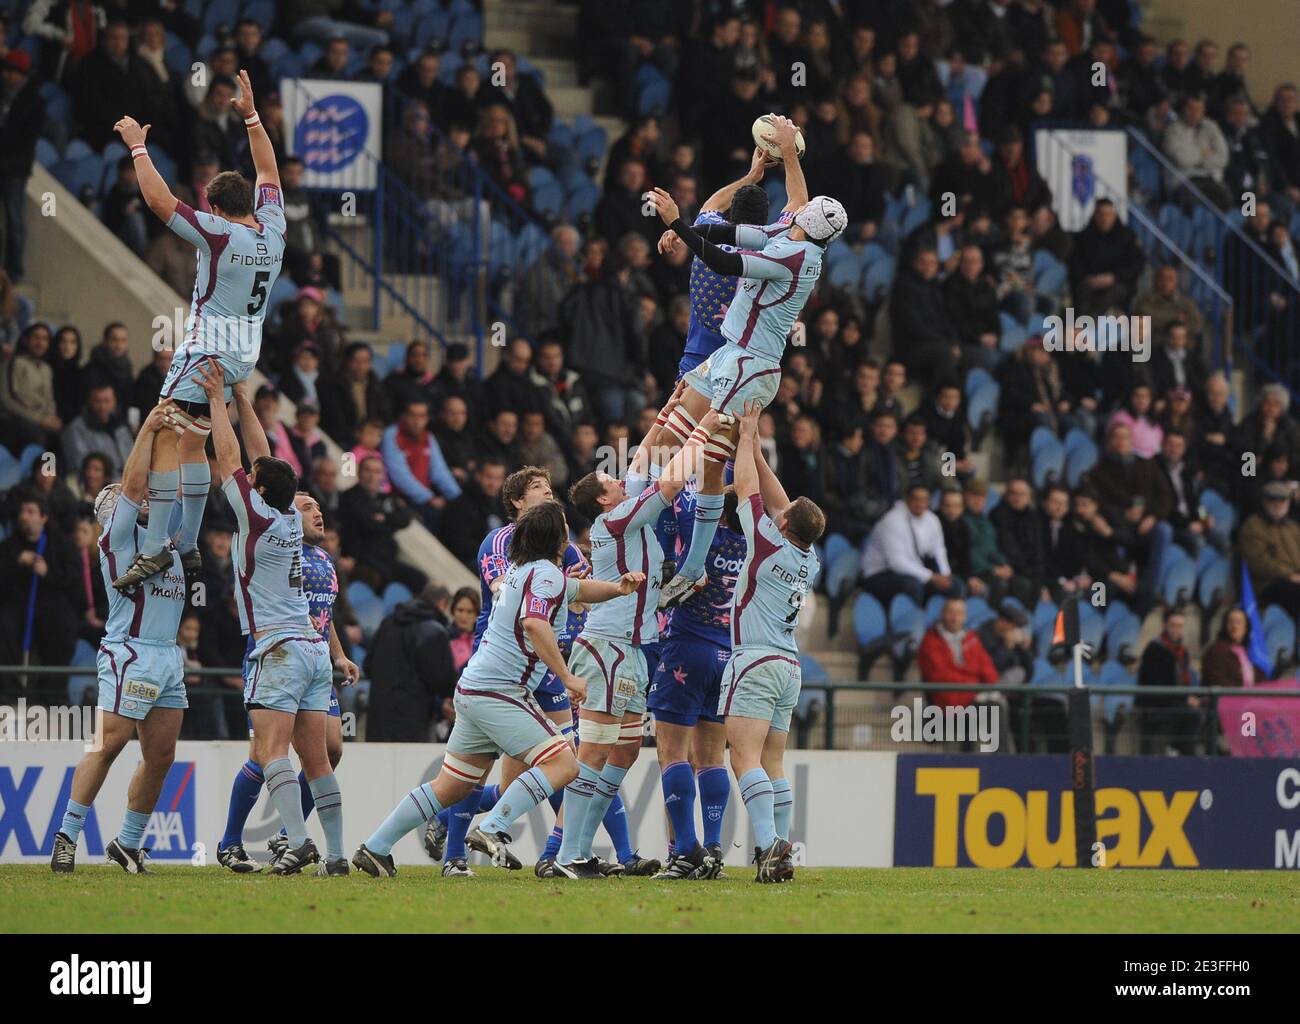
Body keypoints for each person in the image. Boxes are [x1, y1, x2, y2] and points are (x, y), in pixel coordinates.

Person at [352, 501, 644, 880]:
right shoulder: (545, 575)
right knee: (564, 764)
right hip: (500, 691)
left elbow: (578, 589)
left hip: (474, 688)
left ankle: (374, 847)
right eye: (566, 527)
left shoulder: (524, 571)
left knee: (451, 785)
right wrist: (568, 678)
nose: (570, 533)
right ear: (556, 537)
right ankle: (492, 828)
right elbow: (536, 624)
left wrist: (618, 589)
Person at [647, 117, 842, 608]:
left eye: (799, 210)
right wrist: (790, 156)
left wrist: (677, 223)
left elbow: (721, 258)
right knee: (672, 438)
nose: (793, 207)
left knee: (700, 458)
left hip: (748, 365)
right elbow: (793, 203)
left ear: (802, 222)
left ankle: (662, 547)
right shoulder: (796, 236)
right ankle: (635, 513)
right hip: (729, 357)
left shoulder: (786, 256)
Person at [108, 69, 284, 592]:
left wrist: (138, 148)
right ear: (249, 202)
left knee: (164, 427)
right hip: (246, 351)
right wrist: (252, 117)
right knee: (193, 442)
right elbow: (269, 168)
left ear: (214, 207)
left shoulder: (218, 233)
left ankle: (163, 544)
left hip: (209, 347)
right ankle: (184, 545)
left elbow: (161, 203)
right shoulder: (273, 229)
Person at [429, 465, 639, 878]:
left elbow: (579, 598)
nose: (547, 492)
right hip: (504, 667)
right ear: (517, 502)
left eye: (548, 486)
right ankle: (454, 855)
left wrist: (585, 598)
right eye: (537, 488)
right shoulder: (499, 542)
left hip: (548, 664)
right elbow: (507, 595)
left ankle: (589, 855)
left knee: (571, 760)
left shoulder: (566, 547)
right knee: (483, 768)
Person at [558, 397, 719, 877]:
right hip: (607, 647)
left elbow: (645, 452)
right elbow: (669, 481)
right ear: (605, 500)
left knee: (623, 751)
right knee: (594, 752)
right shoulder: (618, 518)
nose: (622, 479)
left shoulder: (619, 506)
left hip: (629, 650)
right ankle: (564, 852)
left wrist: (676, 407)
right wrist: (710, 424)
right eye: (612, 482)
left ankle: (579, 851)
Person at [196, 361, 345, 875]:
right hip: (312, 648)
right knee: (320, 759)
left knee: (270, 750)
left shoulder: (257, 516)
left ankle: (298, 841)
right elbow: (260, 457)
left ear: (256, 491)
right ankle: (338, 855)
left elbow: (232, 457)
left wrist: (218, 398)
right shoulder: (286, 516)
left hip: (276, 646)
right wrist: (244, 391)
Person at [49, 402, 185, 873]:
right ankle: (67, 834)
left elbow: (183, 483)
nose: (146, 497)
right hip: (131, 651)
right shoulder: (117, 539)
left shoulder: (165, 536)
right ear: (112, 512)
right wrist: (148, 427)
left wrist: (192, 425)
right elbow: (130, 485)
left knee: (162, 755)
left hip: (168, 655)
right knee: (108, 745)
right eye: (133, 497)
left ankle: (127, 843)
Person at [216, 491, 361, 872]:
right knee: (265, 755)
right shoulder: (276, 553)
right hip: (275, 656)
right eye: (306, 507)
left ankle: (287, 835)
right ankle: (232, 841)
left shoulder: (326, 560)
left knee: (330, 750)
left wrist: (339, 655)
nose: (318, 512)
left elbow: (323, 617)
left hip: (314, 660)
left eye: (319, 505)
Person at [721, 401, 824, 883]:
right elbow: (782, 504)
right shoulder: (810, 558)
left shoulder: (764, 540)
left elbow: (745, 487)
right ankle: (779, 857)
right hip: (789, 667)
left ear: (783, 525)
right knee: (773, 760)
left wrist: (745, 436)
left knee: (743, 757)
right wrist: (760, 450)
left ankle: (766, 844)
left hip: (755, 659)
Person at [648, 477, 745, 879]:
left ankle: (685, 850)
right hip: (730, 655)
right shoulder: (754, 546)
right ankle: (715, 850)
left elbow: (674, 497)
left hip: (688, 646)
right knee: (711, 758)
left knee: (672, 754)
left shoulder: (702, 535)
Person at [363, 584, 457, 743]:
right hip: (413, 720)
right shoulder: (433, 631)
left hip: (379, 716)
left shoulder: (387, 622)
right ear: (442, 604)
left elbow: (368, 665)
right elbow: (443, 681)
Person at [861, 484, 955, 606]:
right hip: (879, 574)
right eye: (916, 499)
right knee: (913, 586)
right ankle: (912, 622)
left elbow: (939, 550)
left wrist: (945, 575)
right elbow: (897, 563)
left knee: (954, 586)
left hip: (913, 570)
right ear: (907, 499)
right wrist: (931, 577)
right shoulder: (892, 521)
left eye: (924, 499)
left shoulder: (932, 519)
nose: (920, 504)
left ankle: (939, 622)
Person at [1136, 610, 1203, 755]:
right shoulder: (1154, 649)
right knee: (1192, 715)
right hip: (1157, 704)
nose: (1177, 630)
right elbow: (1157, 684)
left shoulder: (1182, 651)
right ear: (1165, 625)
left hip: (1176, 702)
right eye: (1173, 625)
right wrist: (1186, 698)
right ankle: (1187, 757)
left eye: (1180, 626)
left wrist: (1191, 698)